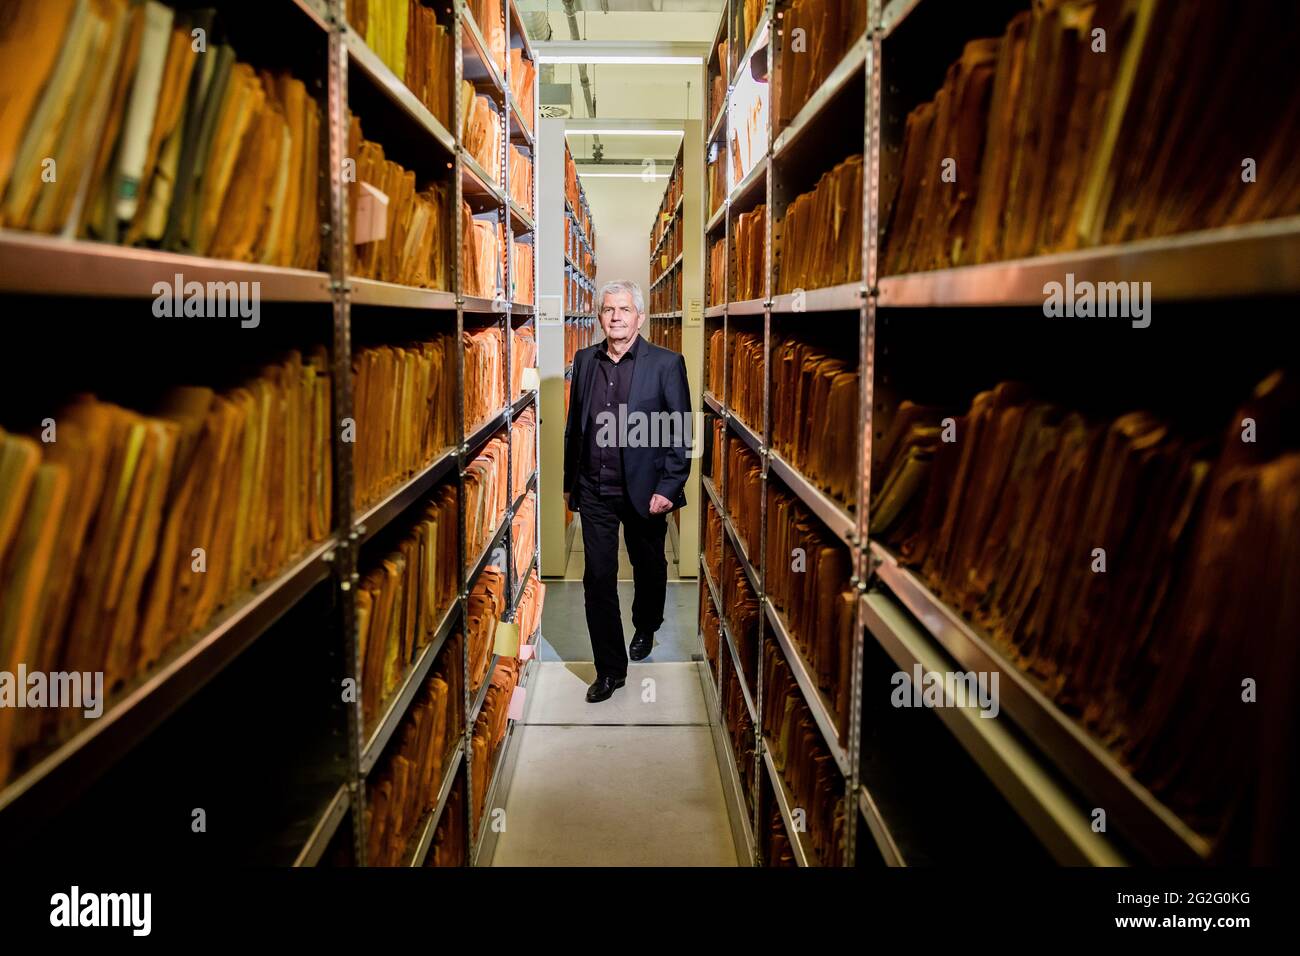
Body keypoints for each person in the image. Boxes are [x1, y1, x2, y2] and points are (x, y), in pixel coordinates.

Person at [563, 279, 692, 702]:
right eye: (608, 310)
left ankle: (647, 624)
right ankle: (610, 670)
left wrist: (669, 487)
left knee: (649, 568)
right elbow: (574, 429)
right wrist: (570, 484)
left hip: (647, 491)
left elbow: (680, 431)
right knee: (597, 578)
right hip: (595, 489)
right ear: (599, 316)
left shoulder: (666, 363)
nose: (615, 317)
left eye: (623, 310)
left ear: (639, 316)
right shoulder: (584, 361)